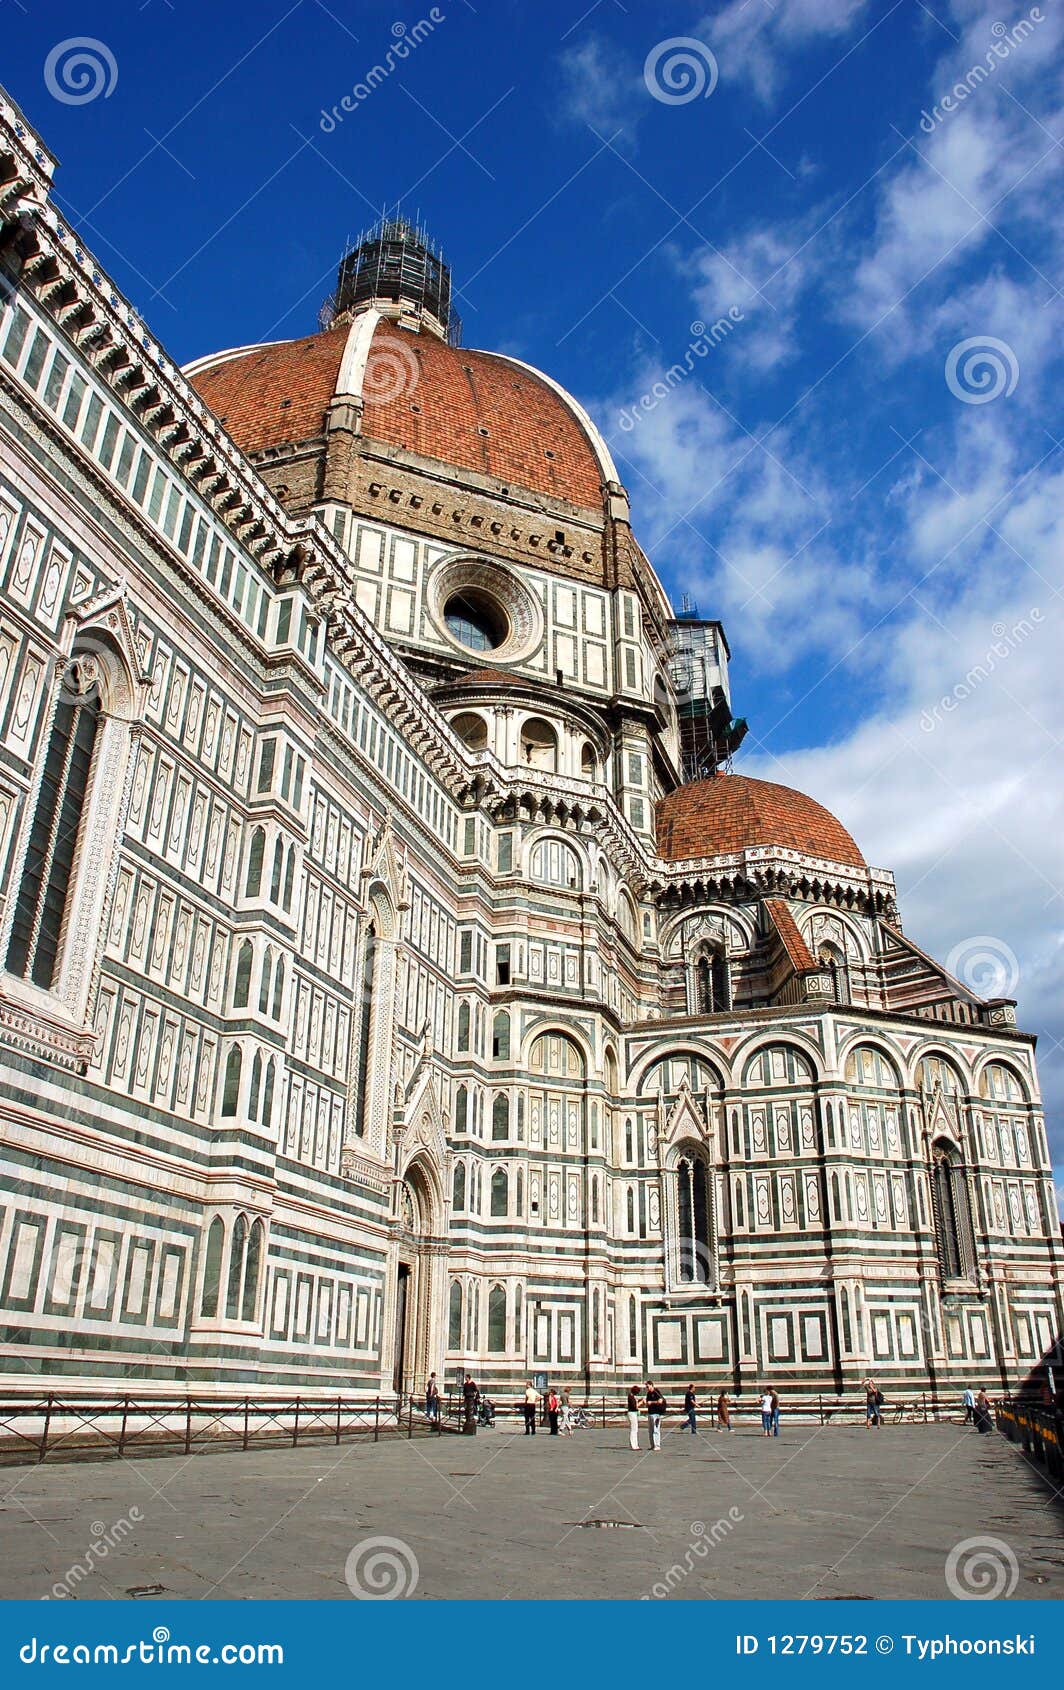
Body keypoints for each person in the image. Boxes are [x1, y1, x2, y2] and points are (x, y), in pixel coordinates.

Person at [646, 1380, 666, 1450]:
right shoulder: (648, 1393)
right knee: (650, 1431)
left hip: (656, 1414)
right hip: (650, 1413)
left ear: (651, 1385)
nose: (647, 1388)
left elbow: (660, 1401)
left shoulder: (656, 1392)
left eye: (648, 1386)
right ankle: (652, 1445)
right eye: (646, 1387)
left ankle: (657, 1445)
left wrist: (651, 1402)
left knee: (656, 1429)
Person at [626, 1383, 642, 1451]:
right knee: (634, 1430)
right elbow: (634, 1406)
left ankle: (634, 1444)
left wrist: (638, 1401)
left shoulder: (631, 1396)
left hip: (632, 1413)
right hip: (632, 1413)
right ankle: (634, 1445)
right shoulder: (631, 1396)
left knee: (634, 1429)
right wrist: (640, 1403)